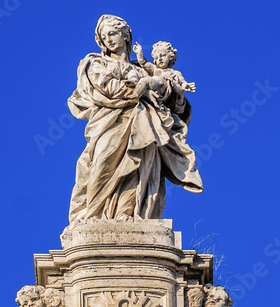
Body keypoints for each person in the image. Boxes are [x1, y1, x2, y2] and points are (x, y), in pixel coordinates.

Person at [67, 15, 202, 223]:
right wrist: (143, 87)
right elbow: (106, 89)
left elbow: (172, 106)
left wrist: (175, 93)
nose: (108, 40)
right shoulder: (96, 62)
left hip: (144, 125)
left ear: (125, 35)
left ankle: (125, 213)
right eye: (104, 37)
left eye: (112, 34)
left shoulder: (144, 69)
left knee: (137, 169)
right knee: (102, 163)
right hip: (110, 123)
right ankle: (93, 215)